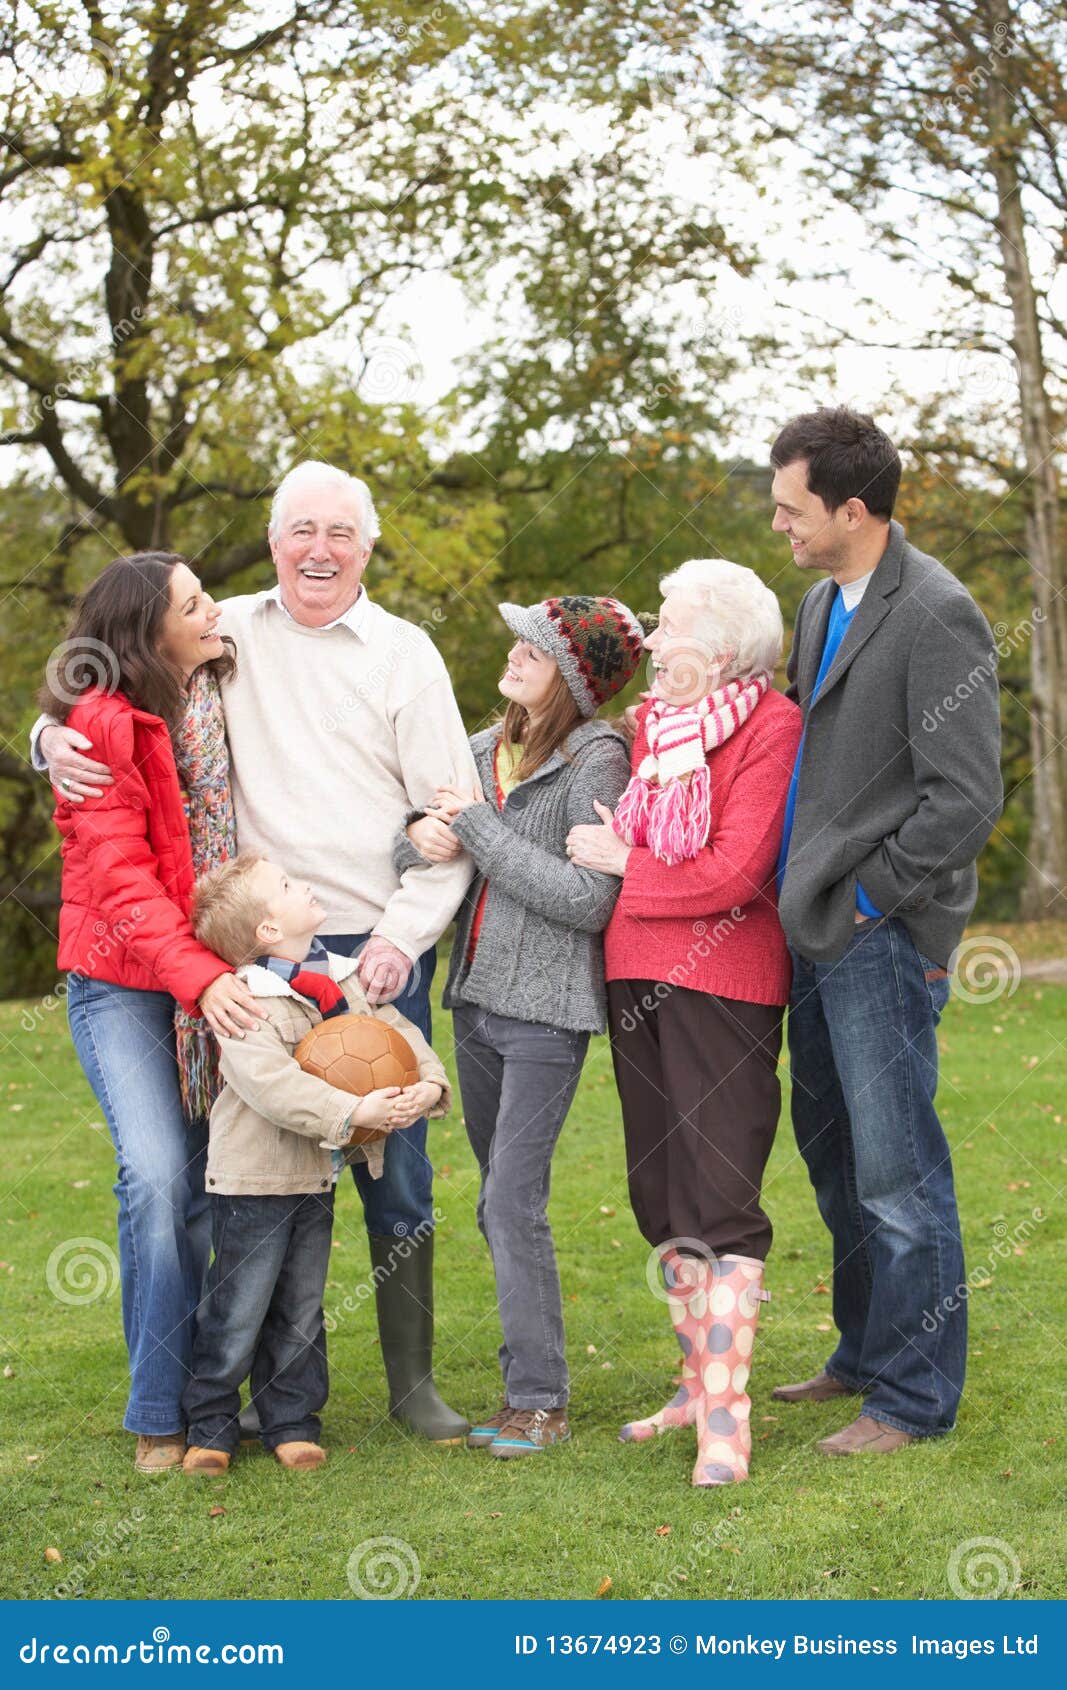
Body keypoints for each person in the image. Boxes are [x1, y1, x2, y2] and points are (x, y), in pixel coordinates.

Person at [35, 463, 477, 1442]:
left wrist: (400, 943)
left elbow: (455, 812)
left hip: (372, 944)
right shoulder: (224, 626)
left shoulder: (405, 655)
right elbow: (109, 666)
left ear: (368, 545)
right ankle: (227, 1399)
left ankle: (411, 1387)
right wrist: (45, 735)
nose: (318, 549)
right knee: (243, 1171)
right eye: (298, 530)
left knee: (393, 1169)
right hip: (250, 948)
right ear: (275, 541)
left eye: (339, 533)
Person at [769, 405, 1003, 1454]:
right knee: (831, 1156)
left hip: (878, 935)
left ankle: (911, 1398)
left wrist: (870, 899)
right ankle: (861, 1354)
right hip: (811, 931)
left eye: (790, 508)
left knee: (897, 1173)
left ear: (849, 509)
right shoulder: (819, 600)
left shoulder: (936, 612)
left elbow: (962, 798)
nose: (778, 524)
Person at [567, 559, 802, 1488]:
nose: (654, 642)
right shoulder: (654, 730)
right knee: (659, 1195)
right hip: (633, 971)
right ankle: (691, 1383)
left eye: (669, 625)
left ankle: (725, 1419)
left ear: (724, 646)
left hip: (725, 983)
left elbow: (735, 873)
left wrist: (626, 862)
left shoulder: (771, 728)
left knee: (717, 1196)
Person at [396, 596, 642, 1457]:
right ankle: (519, 1390)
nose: (512, 655)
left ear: (570, 675)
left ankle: (541, 1400)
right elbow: (418, 846)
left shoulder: (597, 757)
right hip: (473, 1002)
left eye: (532, 649)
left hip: (547, 1008)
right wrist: (420, 834)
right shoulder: (475, 748)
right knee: (498, 1202)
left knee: (510, 1200)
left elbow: (586, 899)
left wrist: (473, 828)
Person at [41, 552, 261, 1473]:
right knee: (160, 1179)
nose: (215, 610)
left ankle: (211, 1404)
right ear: (147, 631)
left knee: (219, 1185)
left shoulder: (219, 680)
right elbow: (124, 886)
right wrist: (198, 980)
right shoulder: (102, 729)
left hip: (213, 965)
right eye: (193, 603)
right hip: (125, 979)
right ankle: (156, 1410)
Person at [181, 853, 450, 1474]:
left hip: (312, 1179)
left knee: (302, 1307)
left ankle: (292, 1422)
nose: (303, 883)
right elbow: (273, 1085)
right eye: (285, 885)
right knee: (239, 1305)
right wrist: (355, 1112)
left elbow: (401, 1035)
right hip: (251, 1180)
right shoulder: (246, 1001)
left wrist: (427, 1089)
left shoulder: (343, 980)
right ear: (267, 932)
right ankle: (212, 1425)